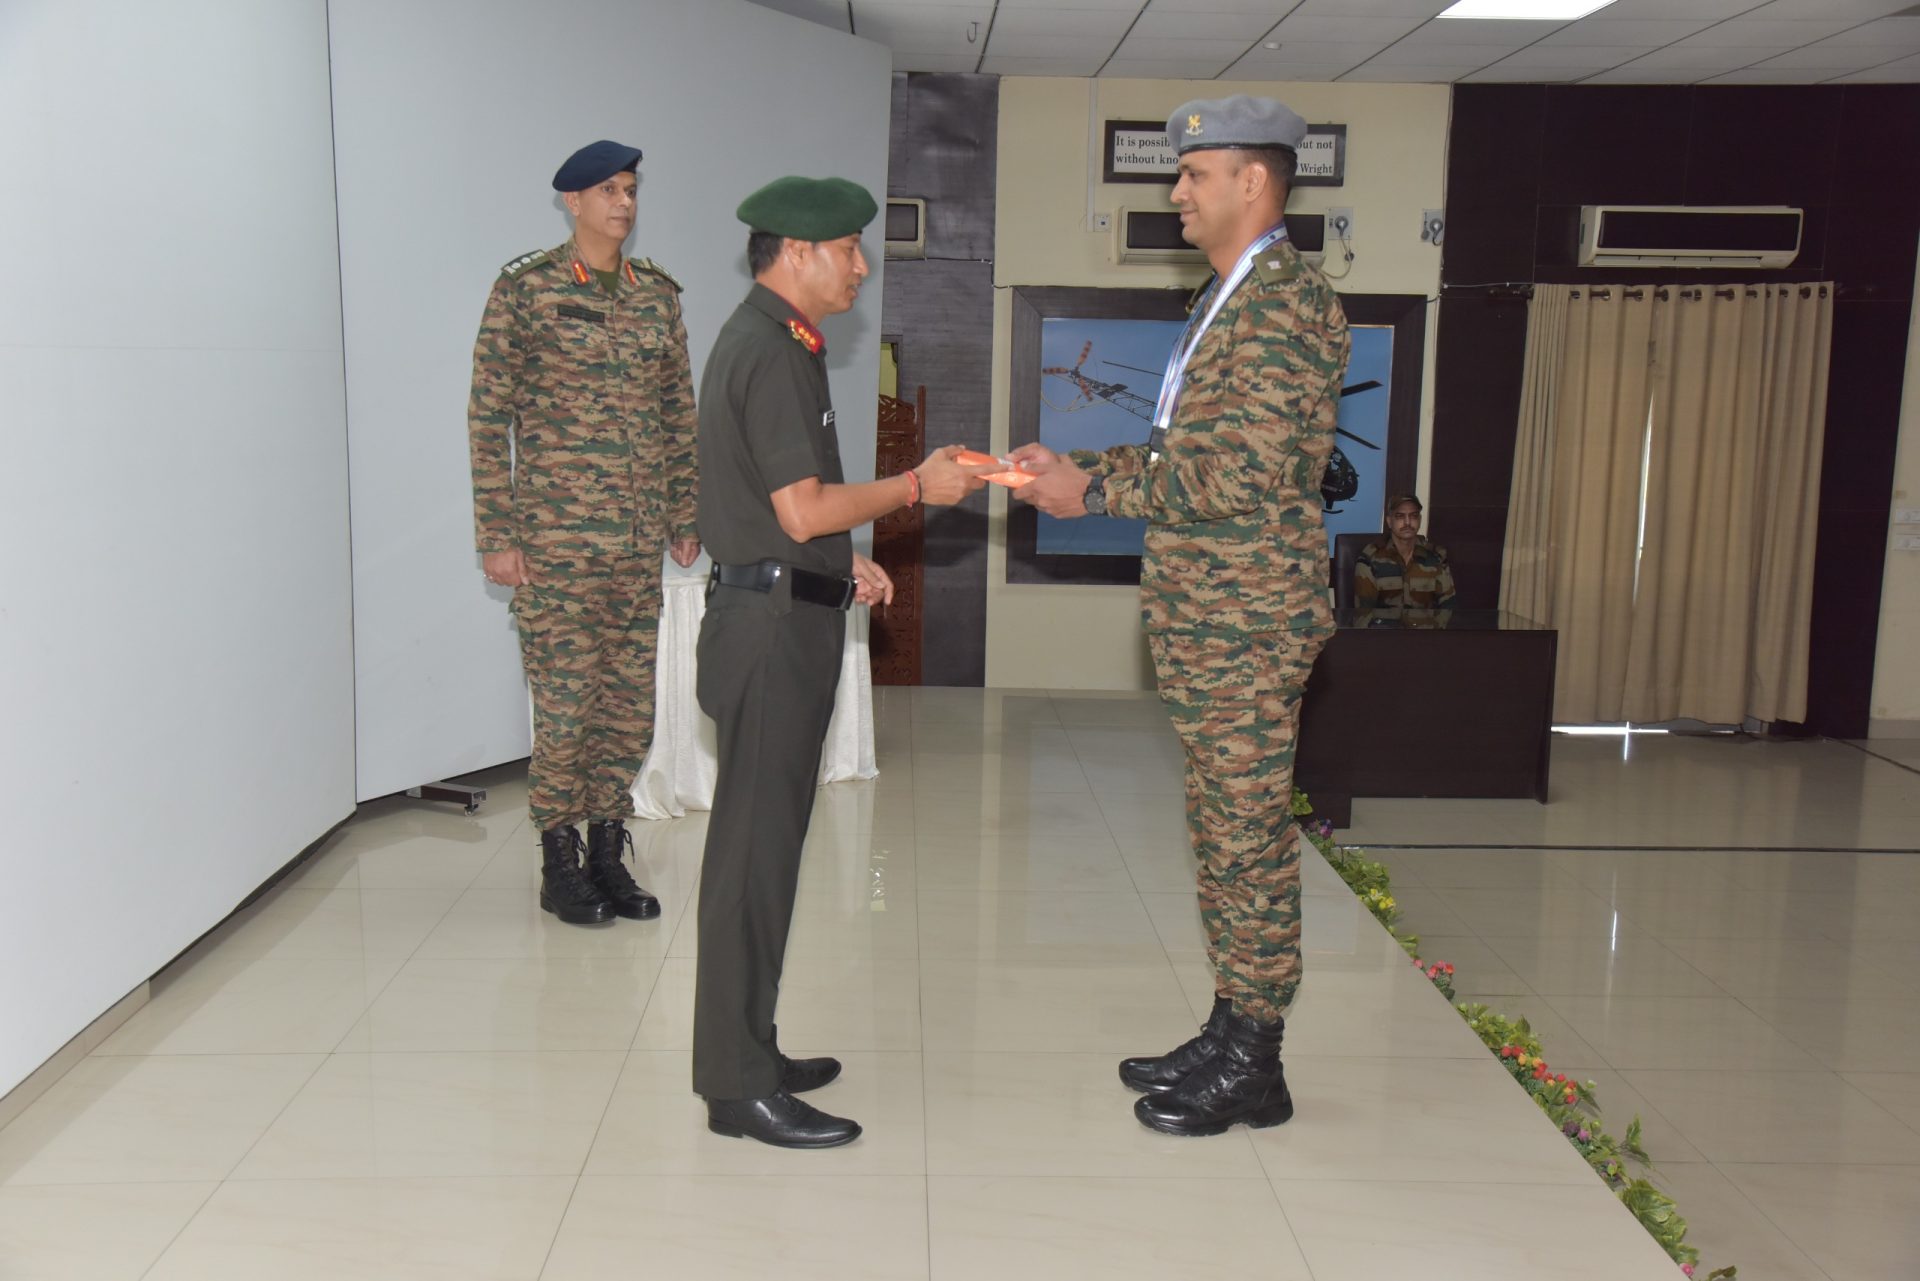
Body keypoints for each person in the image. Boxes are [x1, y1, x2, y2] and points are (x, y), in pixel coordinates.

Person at [1010, 96, 1350, 1137]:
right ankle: (1233, 1020)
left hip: (1247, 621)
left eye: (1195, 174)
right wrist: (1079, 470)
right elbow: (1178, 451)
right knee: (1219, 830)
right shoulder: (1228, 297)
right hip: (1213, 619)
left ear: (1255, 181)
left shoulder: (1286, 305)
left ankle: (1258, 1060)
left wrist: (1094, 496)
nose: (1177, 192)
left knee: (1246, 835)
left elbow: (1241, 472)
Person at [691, 176, 994, 1149]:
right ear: (796, 253)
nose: (862, 265)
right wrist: (916, 484)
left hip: (783, 614)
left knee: (766, 855)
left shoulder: (777, 342)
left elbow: (792, 514)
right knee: (751, 859)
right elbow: (799, 507)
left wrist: (841, 560)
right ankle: (737, 1086)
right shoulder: (771, 352)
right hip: (771, 638)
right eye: (850, 248)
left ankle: (750, 1046)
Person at [468, 140, 701, 929]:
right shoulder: (525, 290)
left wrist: (684, 514)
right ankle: (556, 858)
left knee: (627, 706)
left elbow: (678, 414)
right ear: (571, 202)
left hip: (635, 547)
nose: (624, 203)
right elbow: (486, 415)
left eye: (631, 189)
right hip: (556, 547)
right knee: (565, 709)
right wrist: (497, 533)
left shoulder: (657, 296)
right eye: (608, 191)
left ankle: (608, 847)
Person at [1354, 494, 1456, 609]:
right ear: (1389, 521)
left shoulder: (1436, 556)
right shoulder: (1370, 558)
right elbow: (1363, 613)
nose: (1407, 522)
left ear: (1420, 520)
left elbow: (1448, 610)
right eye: (1400, 516)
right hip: (1384, 626)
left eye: (1413, 516)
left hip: (1425, 626)